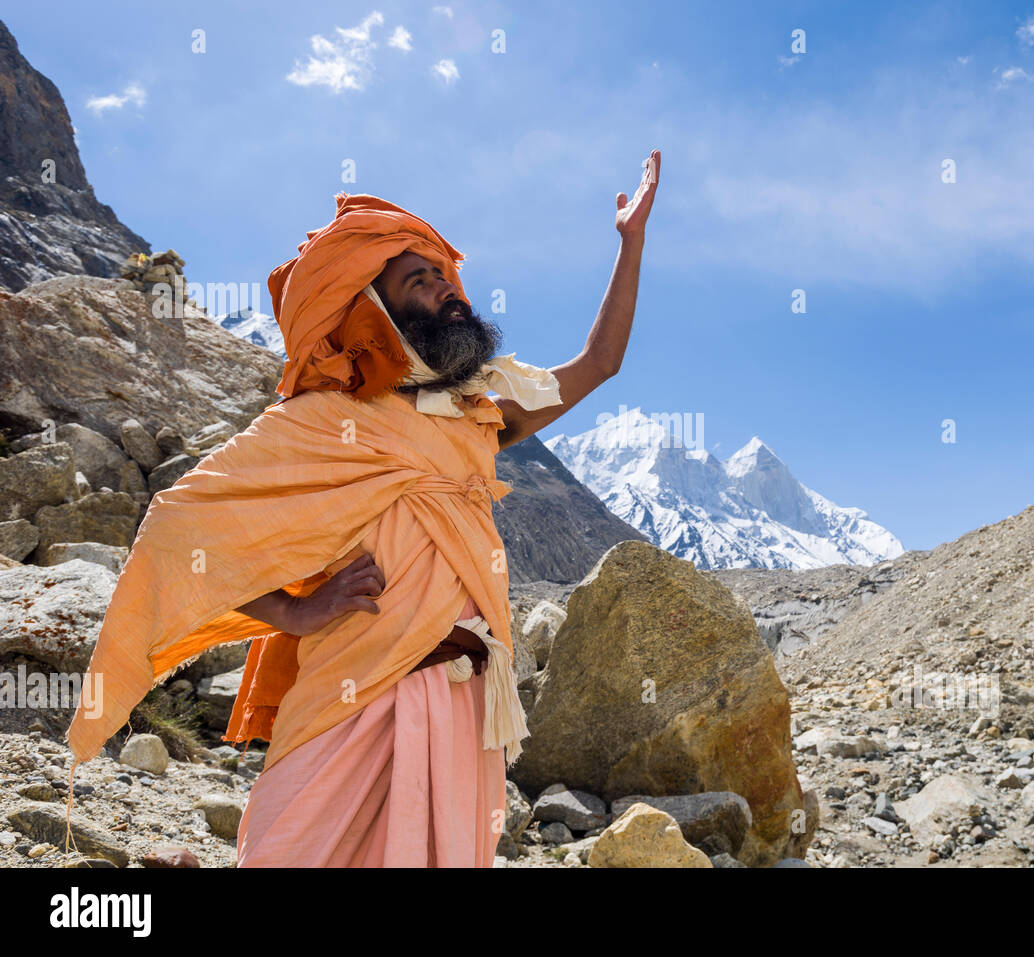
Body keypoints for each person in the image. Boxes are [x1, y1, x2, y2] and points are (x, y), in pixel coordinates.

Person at [63, 149, 661, 867]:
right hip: (352, 699)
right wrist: (292, 612)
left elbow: (599, 364)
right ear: (376, 311)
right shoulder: (326, 422)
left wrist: (630, 243)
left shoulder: (472, 418)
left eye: (443, 273)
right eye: (419, 280)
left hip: (461, 699)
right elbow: (177, 525)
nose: (445, 288)